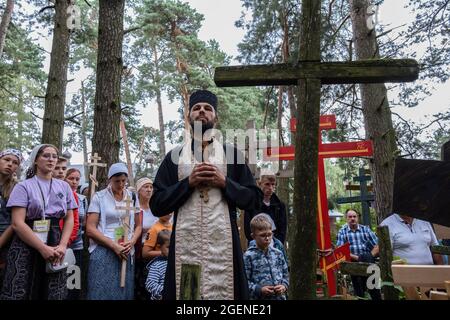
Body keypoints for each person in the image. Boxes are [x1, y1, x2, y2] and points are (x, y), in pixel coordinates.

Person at [150, 89, 261, 300]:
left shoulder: (231, 155)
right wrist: (188, 183)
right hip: (186, 248)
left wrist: (224, 182)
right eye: (196, 108)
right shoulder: (174, 157)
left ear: (215, 117)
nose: (202, 111)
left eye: (208, 108)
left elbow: (254, 199)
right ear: (188, 116)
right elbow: (157, 204)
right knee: (188, 299)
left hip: (224, 250)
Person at [0, 144, 76, 300]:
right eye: (46, 156)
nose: (51, 159)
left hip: (55, 240)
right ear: (35, 160)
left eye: (54, 156)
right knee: (22, 287)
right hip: (26, 241)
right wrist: (42, 248)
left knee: (52, 290)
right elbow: (17, 223)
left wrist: (62, 245)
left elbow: (69, 218)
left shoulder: (64, 186)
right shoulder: (23, 186)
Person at [86, 162, 142, 300]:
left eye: (124, 180)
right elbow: (90, 229)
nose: (121, 184)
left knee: (123, 290)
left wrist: (132, 241)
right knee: (102, 289)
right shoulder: (99, 197)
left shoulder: (132, 197)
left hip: (126, 248)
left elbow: (139, 225)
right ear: (110, 179)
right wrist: (113, 245)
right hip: (104, 247)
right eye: (117, 181)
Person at [336, 208, 381, 300]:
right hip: (353, 261)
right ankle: (363, 295)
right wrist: (359, 258)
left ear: (358, 218)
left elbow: (377, 246)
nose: (352, 218)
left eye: (354, 216)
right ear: (346, 218)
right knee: (360, 286)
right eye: (350, 217)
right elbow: (340, 250)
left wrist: (369, 256)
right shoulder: (343, 231)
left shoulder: (366, 230)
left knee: (372, 283)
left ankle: (373, 296)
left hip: (369, 260)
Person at [243, 214, 289, 300]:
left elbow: (286, 275)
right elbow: (244, 282)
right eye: (263, 235)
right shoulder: (248, 256)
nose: (267, 238)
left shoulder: (278, 253)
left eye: (270, 234)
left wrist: (284, 286)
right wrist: (259, 290)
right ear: (253, 236)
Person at [0, 149, 23, 287]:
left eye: (15, 162)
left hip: (7, 239)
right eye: (6, 160)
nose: (10, 164)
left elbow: (15, 221)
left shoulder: (17, 188)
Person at [245, 174, 287, 244]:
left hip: (275, 246)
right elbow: (248, 229)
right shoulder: (252, 204)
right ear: (259, 184)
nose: (270, 188)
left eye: (273, 184)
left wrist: (276, 245)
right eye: (267, 184)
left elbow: (282, 230)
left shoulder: (280, 206)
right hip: (256, 246)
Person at [64, 168, 87, 300]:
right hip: (60, 245)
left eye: (77, 179)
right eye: (71, 178)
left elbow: (84, 221)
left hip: (76, 245)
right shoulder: (60, 194)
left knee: (73, 282)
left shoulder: (82, 199)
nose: (74, 182)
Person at [134, 177, 158, 300]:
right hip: (141, 250)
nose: (149, 190)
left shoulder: (156, 208)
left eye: (151, 187)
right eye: (145, 187)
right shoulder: (135, 210)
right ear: (138, 190)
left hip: (157, 250)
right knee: (142, 283)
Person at [145, 229, 171, 300]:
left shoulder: (176, 262)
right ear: (159, 247)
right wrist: (165, 291)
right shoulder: (156, 265)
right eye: (168, 247)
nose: (172, 250)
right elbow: (150, 283)